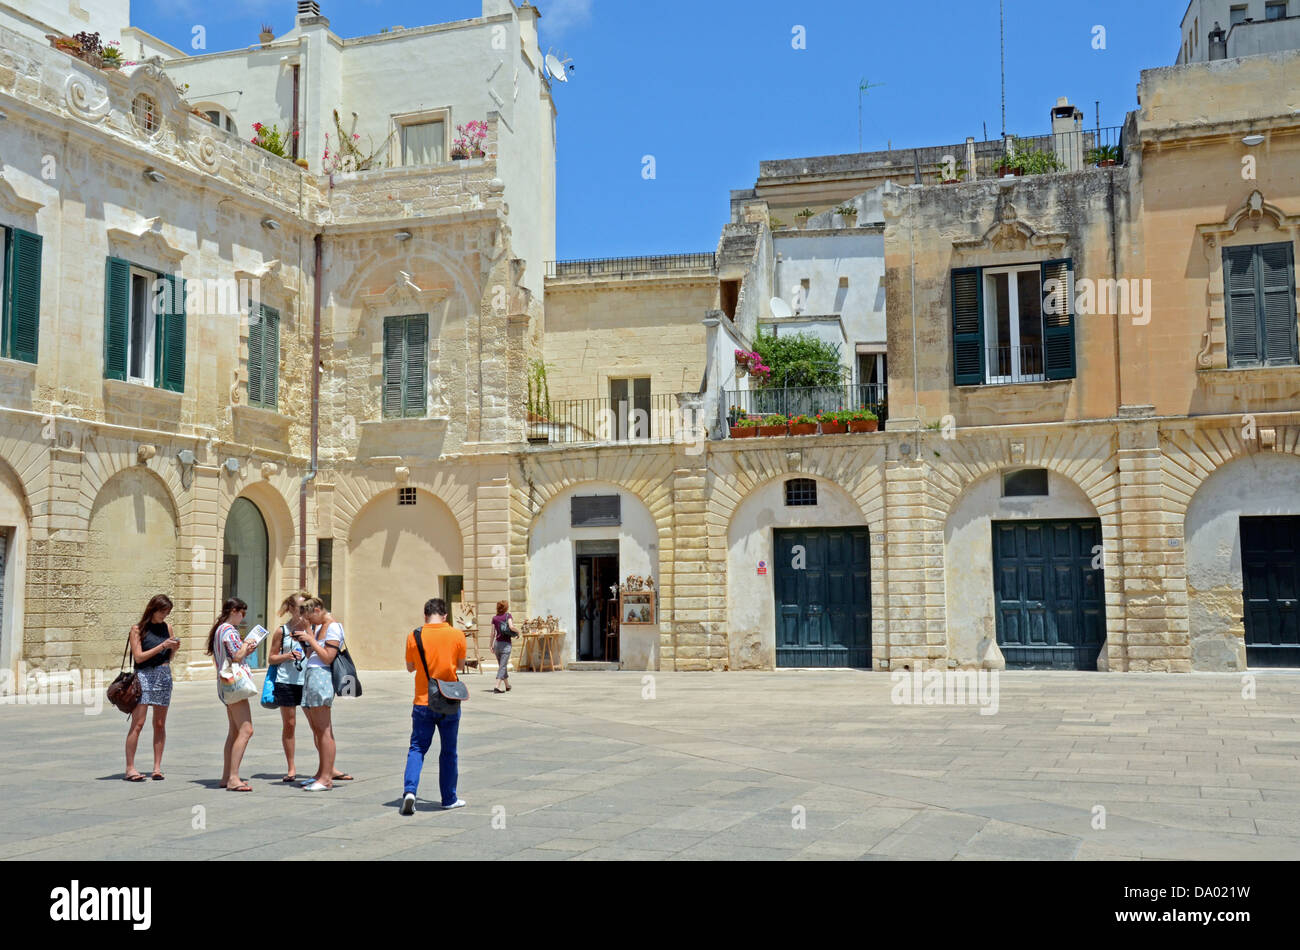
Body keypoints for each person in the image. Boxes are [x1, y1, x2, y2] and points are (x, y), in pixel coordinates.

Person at [401, 597, 466, 815]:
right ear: (445, 615)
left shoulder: (414, 635)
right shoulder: (457, 634)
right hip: (448, 699)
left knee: (417, 748)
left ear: (425, 615)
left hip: (422, 700)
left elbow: (410, 667)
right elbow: (461, 665)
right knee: (449, 751)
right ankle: (449, 797)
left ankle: (410, 791)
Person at [124, 594, 181, 782]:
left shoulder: (168, 627)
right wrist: (163, 645)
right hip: (144, 676)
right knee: (138, 723)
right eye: (162, 611)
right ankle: (130, 768)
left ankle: (157, 767)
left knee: (159, 724)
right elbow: (139, 657)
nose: (164, 616)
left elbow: (168, 657)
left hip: (163, 675)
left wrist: (173, 649)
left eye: (167, 612)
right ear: (153, 609)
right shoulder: (138, 629)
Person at [207, 597, 256, 792]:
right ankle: (234, 778)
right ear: (234, 611)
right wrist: (248, 644)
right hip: (235, 684)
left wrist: (244, 647)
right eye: (242, 613)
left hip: (225, 684)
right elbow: (237, 656)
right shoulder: (229, 630)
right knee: (246, 730)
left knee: (234, 731)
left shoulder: (219, 629)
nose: (243, 617)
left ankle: (226, 775)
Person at [296, 597, 344, 792]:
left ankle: (326, 778)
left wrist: (310, 640)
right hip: (312, 676)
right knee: (317, 729)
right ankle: (321, 773)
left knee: (324, 730)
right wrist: (307, 637)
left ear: (317, 610)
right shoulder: (318, 627)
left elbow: (328, 657)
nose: (310, 622)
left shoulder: (334, 627)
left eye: (310, 618)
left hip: (322, 678)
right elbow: (312, 655)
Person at [490, 600, 519, 693]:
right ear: (506, 608)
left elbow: (492, 633)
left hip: (497, 644)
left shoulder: (494, 618)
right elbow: (511, 627)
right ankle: (497, 686)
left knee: (502, 665)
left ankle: (507, 685)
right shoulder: (508, 616)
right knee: (502, 666)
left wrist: (490, 645)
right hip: (506, 644)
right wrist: (517, 631)